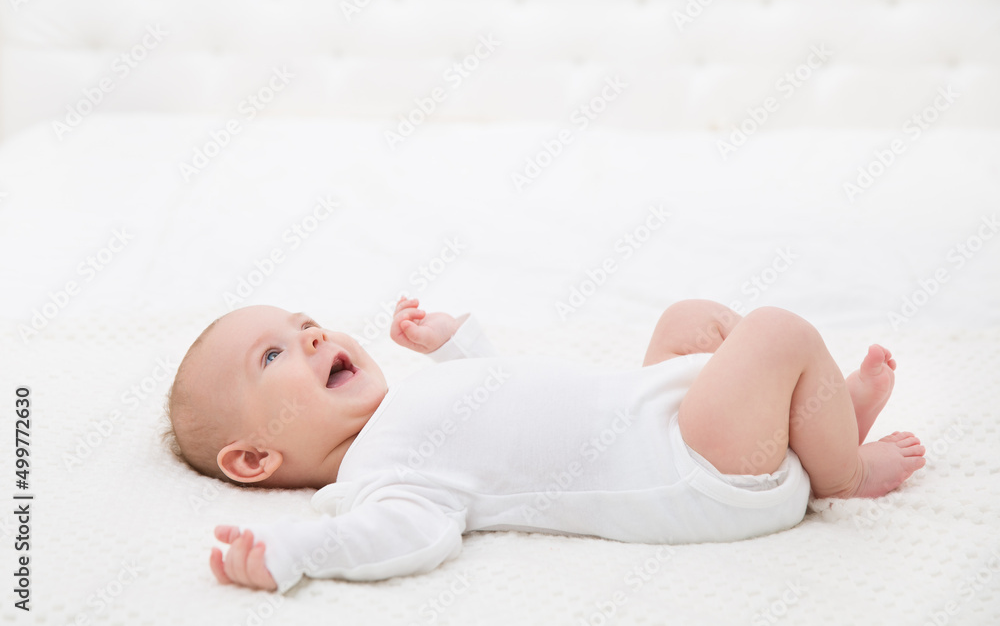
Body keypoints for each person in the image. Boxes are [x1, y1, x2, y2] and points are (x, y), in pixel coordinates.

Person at [163, 297, 925, 592]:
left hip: (654, 410)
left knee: (688, 321)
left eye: (305, 323)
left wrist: (456, 344)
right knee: (775, 332)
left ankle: (817, 413)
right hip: (693, 469)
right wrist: (298, 549)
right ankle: (844, 468)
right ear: (255, 457)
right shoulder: (376, 478)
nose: (312, 335)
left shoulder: (402, 408)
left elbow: (505, 400)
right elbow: (407, 535)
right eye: (274, 354)